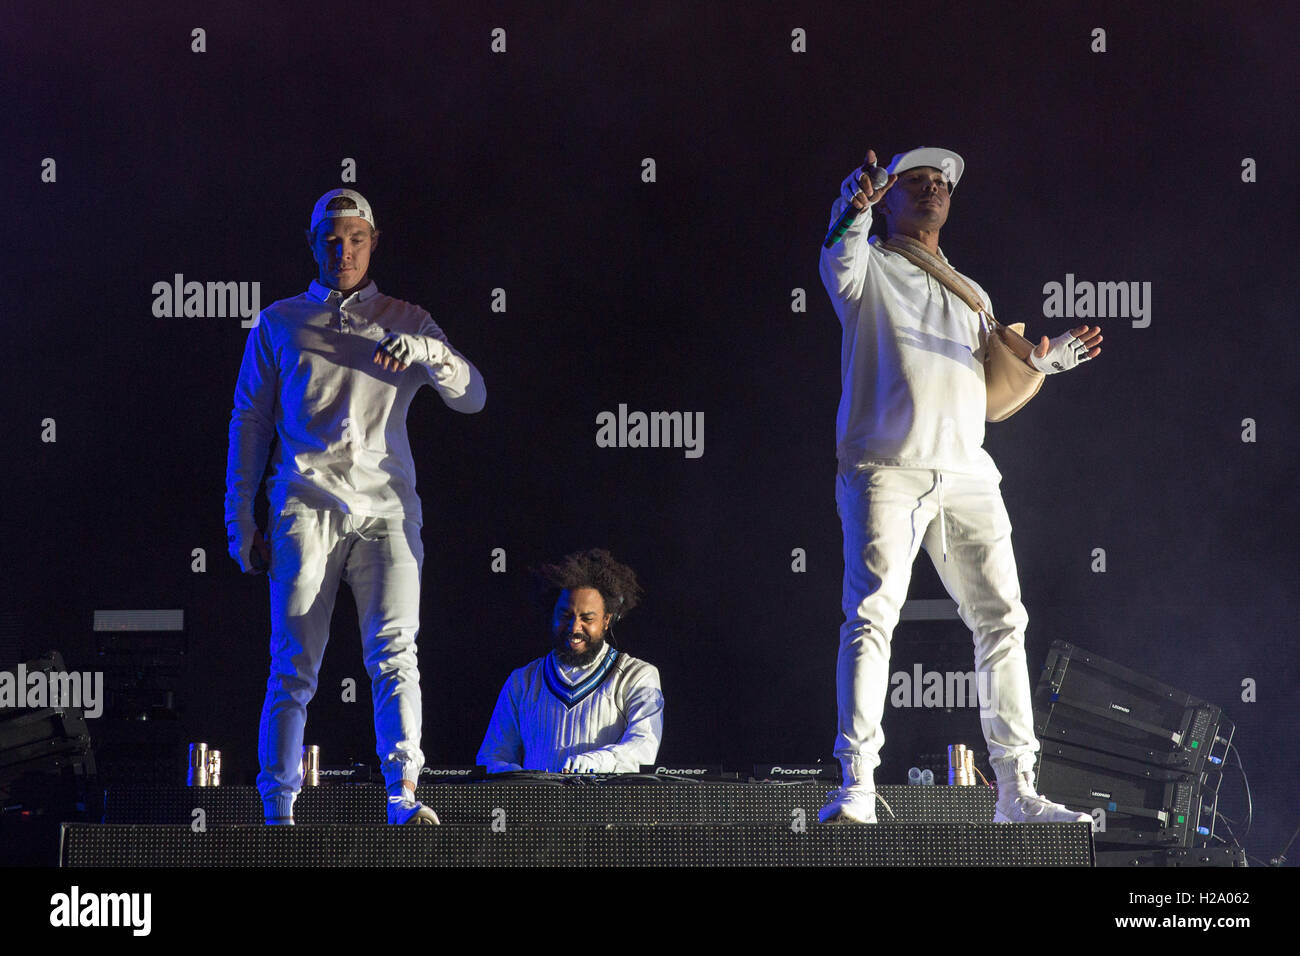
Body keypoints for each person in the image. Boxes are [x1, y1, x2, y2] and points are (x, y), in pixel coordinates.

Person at [817, 147, 1102, 825]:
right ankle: (857, 780)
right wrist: (848, 209)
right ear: (887, 197)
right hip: (887, 467)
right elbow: (836, 252)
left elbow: (993, 388)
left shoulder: (971, 291)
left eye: (941, 184)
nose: (933, 190)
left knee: (1003, 618)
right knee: (872, 616)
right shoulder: (868, 267)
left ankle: (1015, 790)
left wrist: (1046, 363)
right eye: (916, 182)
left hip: (968, 469)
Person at [225, 188, 486, 825]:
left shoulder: (406, 316)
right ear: (313, 244)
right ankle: (278, 809)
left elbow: (473, 395)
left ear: (373, 242)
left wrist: (428, 352)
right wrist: (240, 520)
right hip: (304, 506)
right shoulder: (279, 321)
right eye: (331, 240)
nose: (343, 251)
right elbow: (249, 422)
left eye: (356, 240)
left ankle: (403, 796)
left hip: (388, 511)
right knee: (292, 665)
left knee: (396, 654)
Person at [477, 549, 663, 773]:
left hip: (605, 808)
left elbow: (643, 748)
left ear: (606, 620)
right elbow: (492, 756)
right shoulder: (522, 681)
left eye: (587, 618)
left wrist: (597, 762)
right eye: (565, 616)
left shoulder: (638, 676)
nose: (575, 628)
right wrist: (524, 782)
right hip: (538, 807)